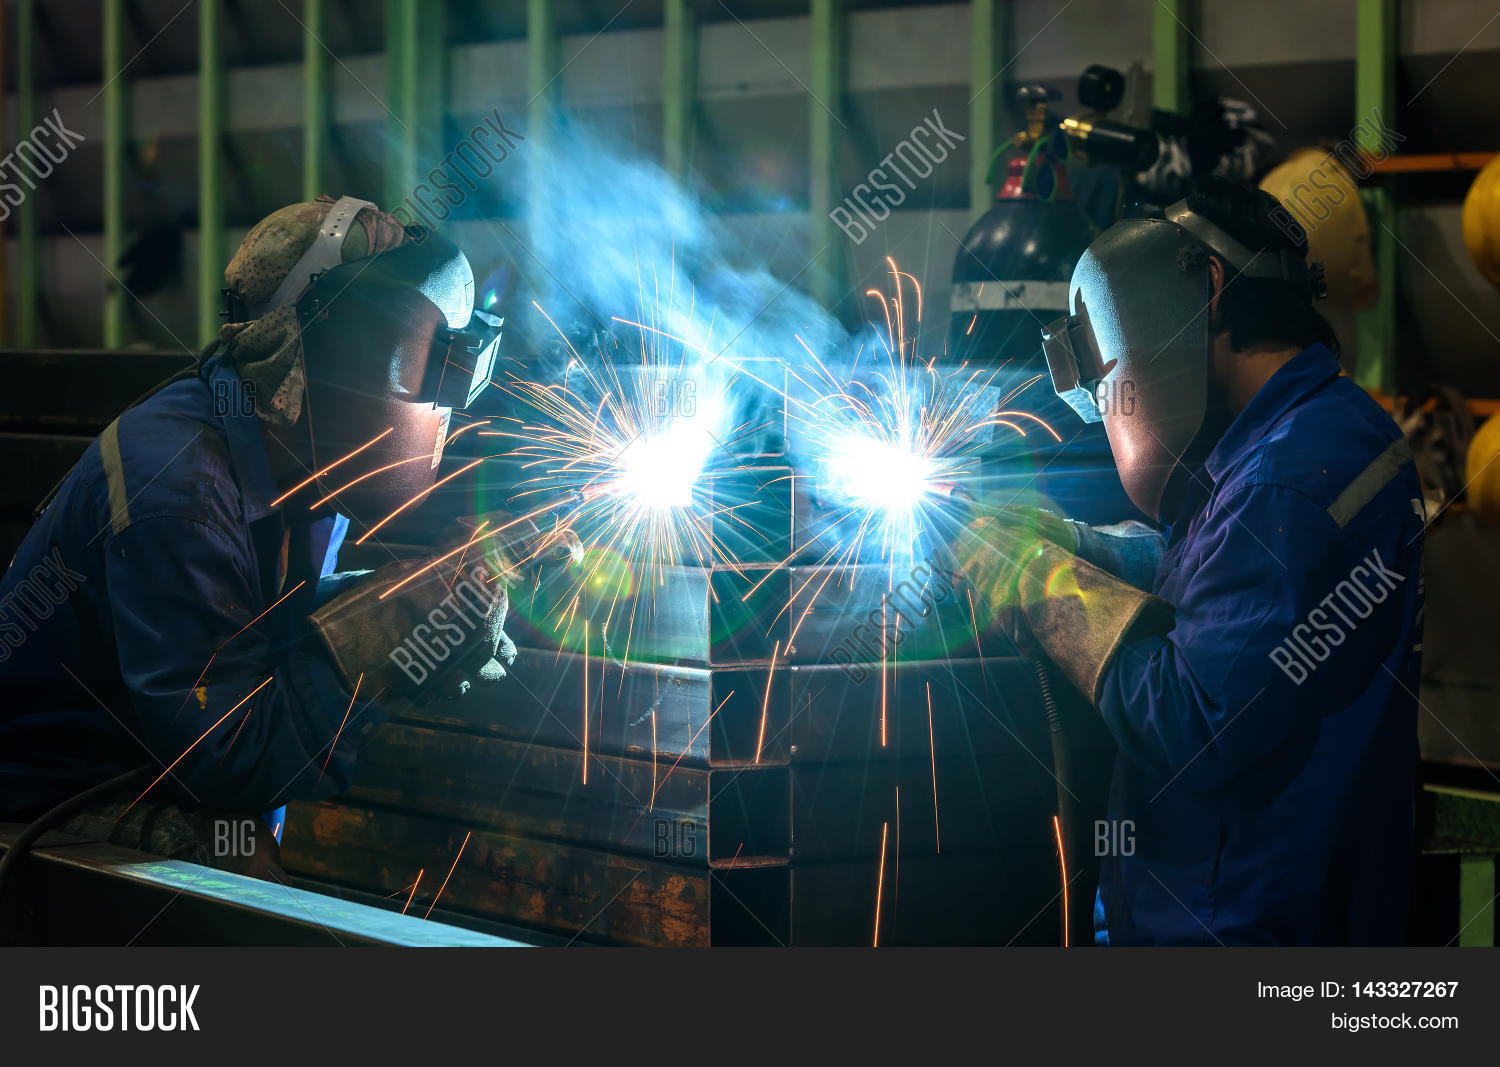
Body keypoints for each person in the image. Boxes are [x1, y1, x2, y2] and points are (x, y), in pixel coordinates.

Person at [0, 196, 563, 881]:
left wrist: (427, 599)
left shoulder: (294, 448)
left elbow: (255, 625)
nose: (439, 407)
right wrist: (404, 628)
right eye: (423, 368)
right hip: (40, 799)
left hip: (155, 756)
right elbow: (228, 756)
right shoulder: (181, 487)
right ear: (315, 352)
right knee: (238, 865)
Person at [954, 179, 1425, 945]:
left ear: (1206, 289)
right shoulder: (1312, 435)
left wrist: (1034, 579)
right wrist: (1072, 543)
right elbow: (1205, 576)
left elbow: (1191, 716)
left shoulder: (1287, 476)